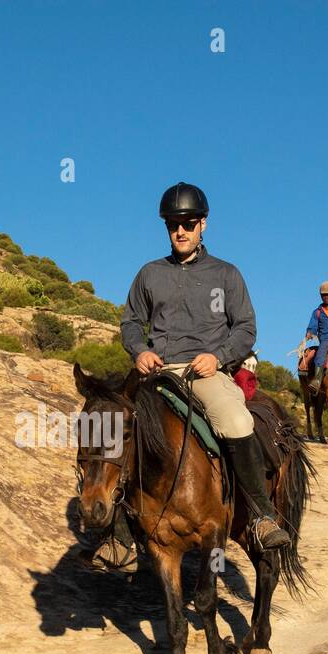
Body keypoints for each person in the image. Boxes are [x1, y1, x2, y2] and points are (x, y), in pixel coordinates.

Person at [115, 181, 292, 552]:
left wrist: (219, 356)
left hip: (206, 372)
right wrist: (138, 351)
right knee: (114, 420)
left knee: (236, 420)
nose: (180, 230)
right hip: (158, 372)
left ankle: (261, 515)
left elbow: (246, 327)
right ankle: (116, 532)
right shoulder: (150, 274)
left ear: (203, 225)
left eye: (188, 223)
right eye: (172, 224)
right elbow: (131, 321)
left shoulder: (226, 274)